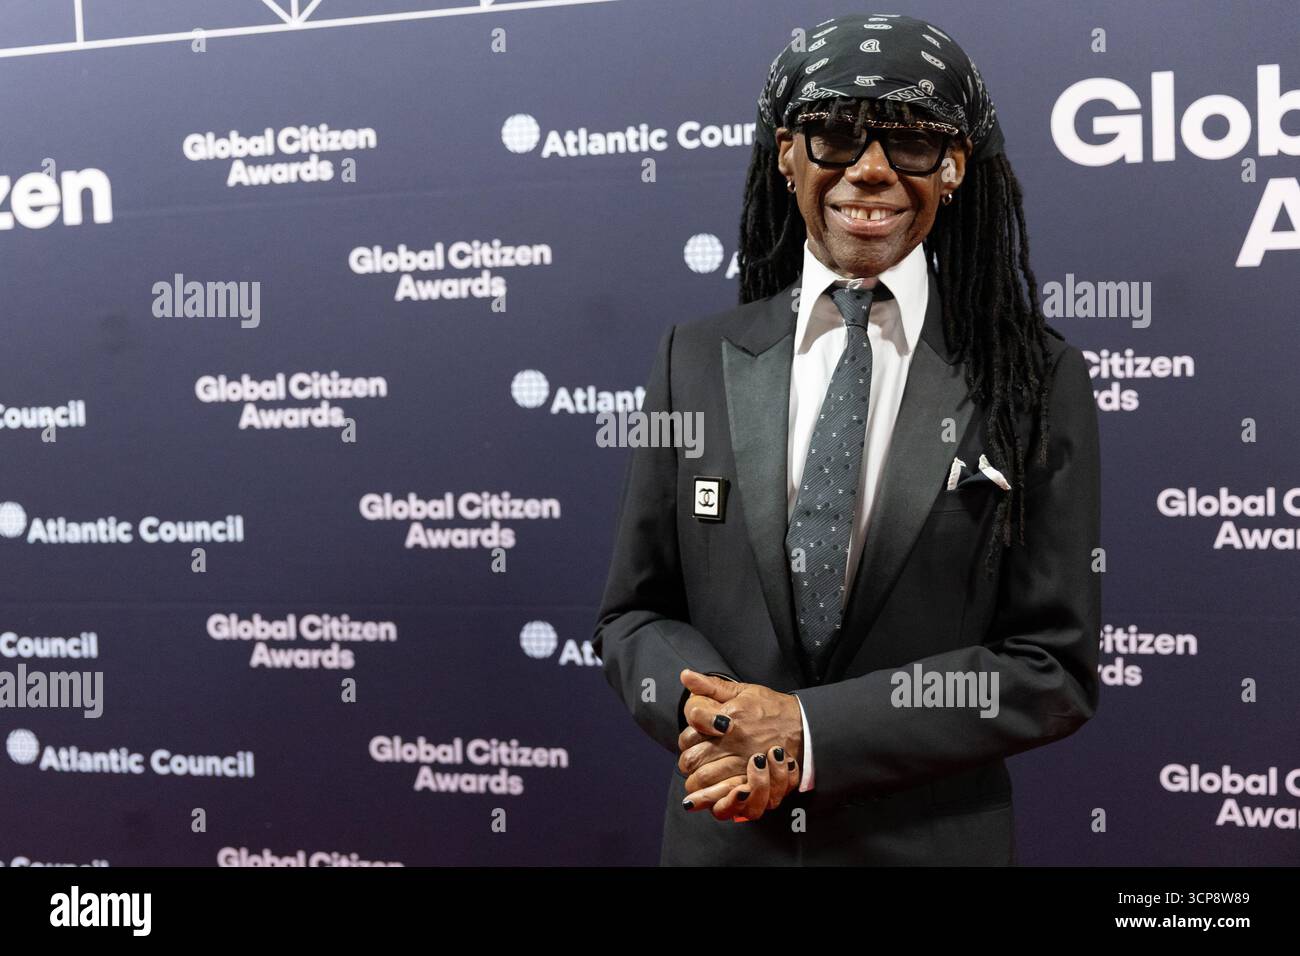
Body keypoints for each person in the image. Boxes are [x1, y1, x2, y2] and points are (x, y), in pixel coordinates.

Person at [593, 12, 1101, 865]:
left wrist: (803, 732)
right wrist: (724, 727)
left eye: (908, 142)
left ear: (955, 165)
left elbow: (1052, 667)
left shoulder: (1033, 378)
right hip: (724, 842)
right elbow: (633, 613)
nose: (869, 170)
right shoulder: (695, 357)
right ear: (787, 153)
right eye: (833, 135)